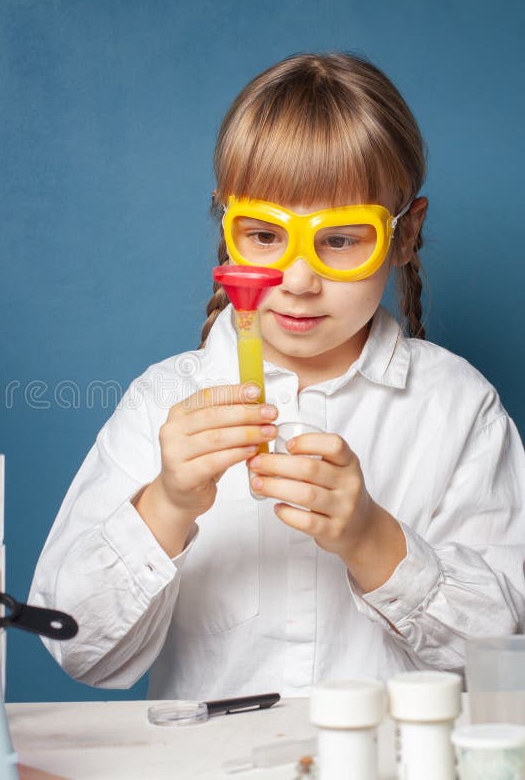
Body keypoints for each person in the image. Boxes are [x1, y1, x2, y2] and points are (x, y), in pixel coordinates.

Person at [28, 52, 525, 700]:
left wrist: (374, 540)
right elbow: (77, 649)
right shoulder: (163, 404)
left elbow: (501, 657)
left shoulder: (457, 409)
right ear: (229, 227)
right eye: (265, 235)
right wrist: (167, 504)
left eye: (342, 240)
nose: (297, 280)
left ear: (406, 236)